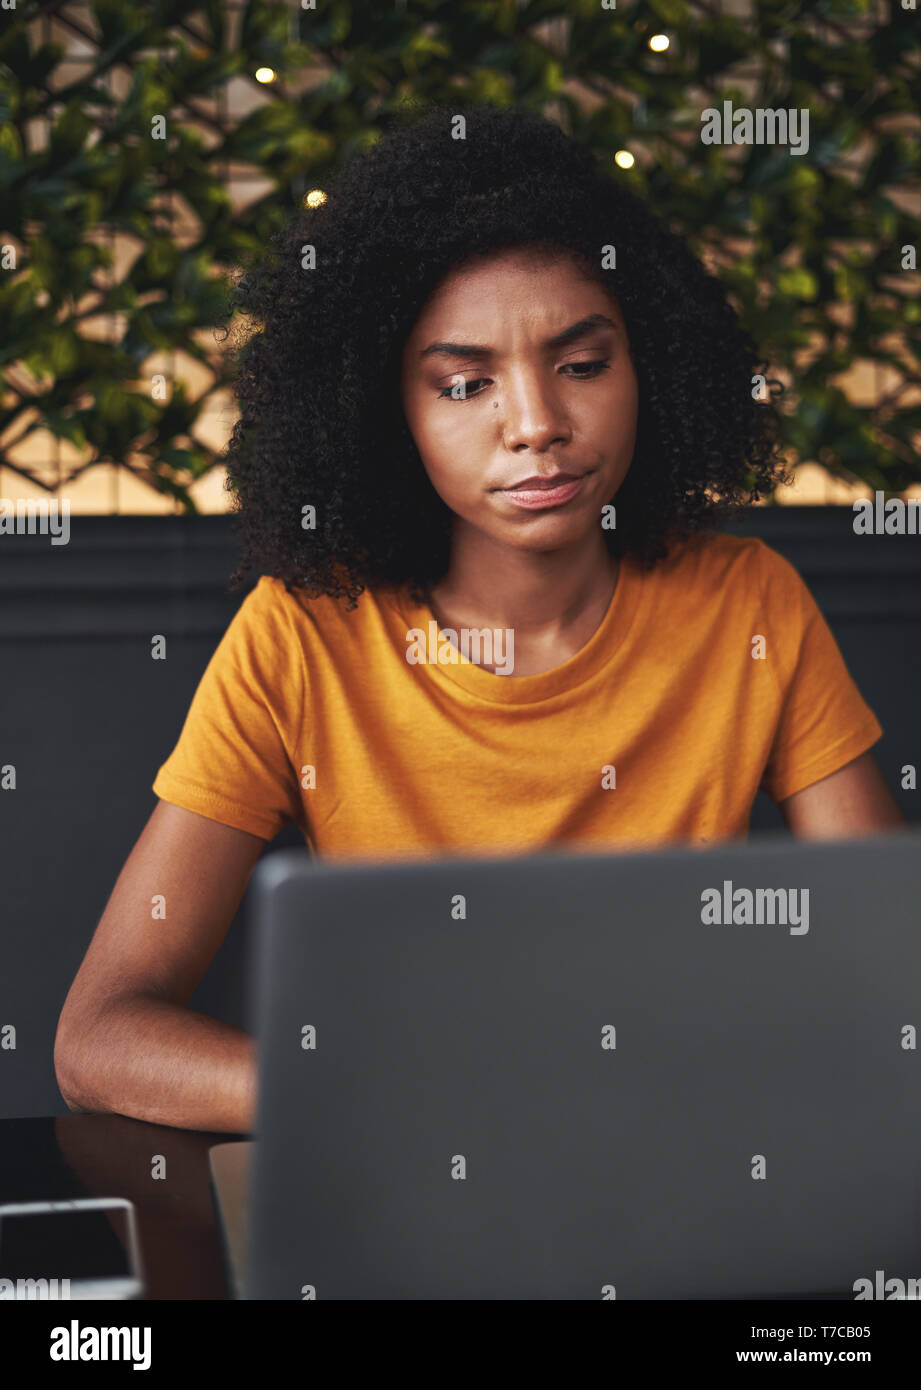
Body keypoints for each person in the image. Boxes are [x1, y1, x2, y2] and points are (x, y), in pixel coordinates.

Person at [54, 104, 904, 1134]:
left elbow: (887, 976)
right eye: (464, 384)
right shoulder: (300, 634)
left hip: (670, 1152)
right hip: (399, 1174)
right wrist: (400, 1102)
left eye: (583, 365)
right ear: (384, 413)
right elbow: (100, 1037)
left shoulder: (748, 602)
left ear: (654, 367)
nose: (538, 424)